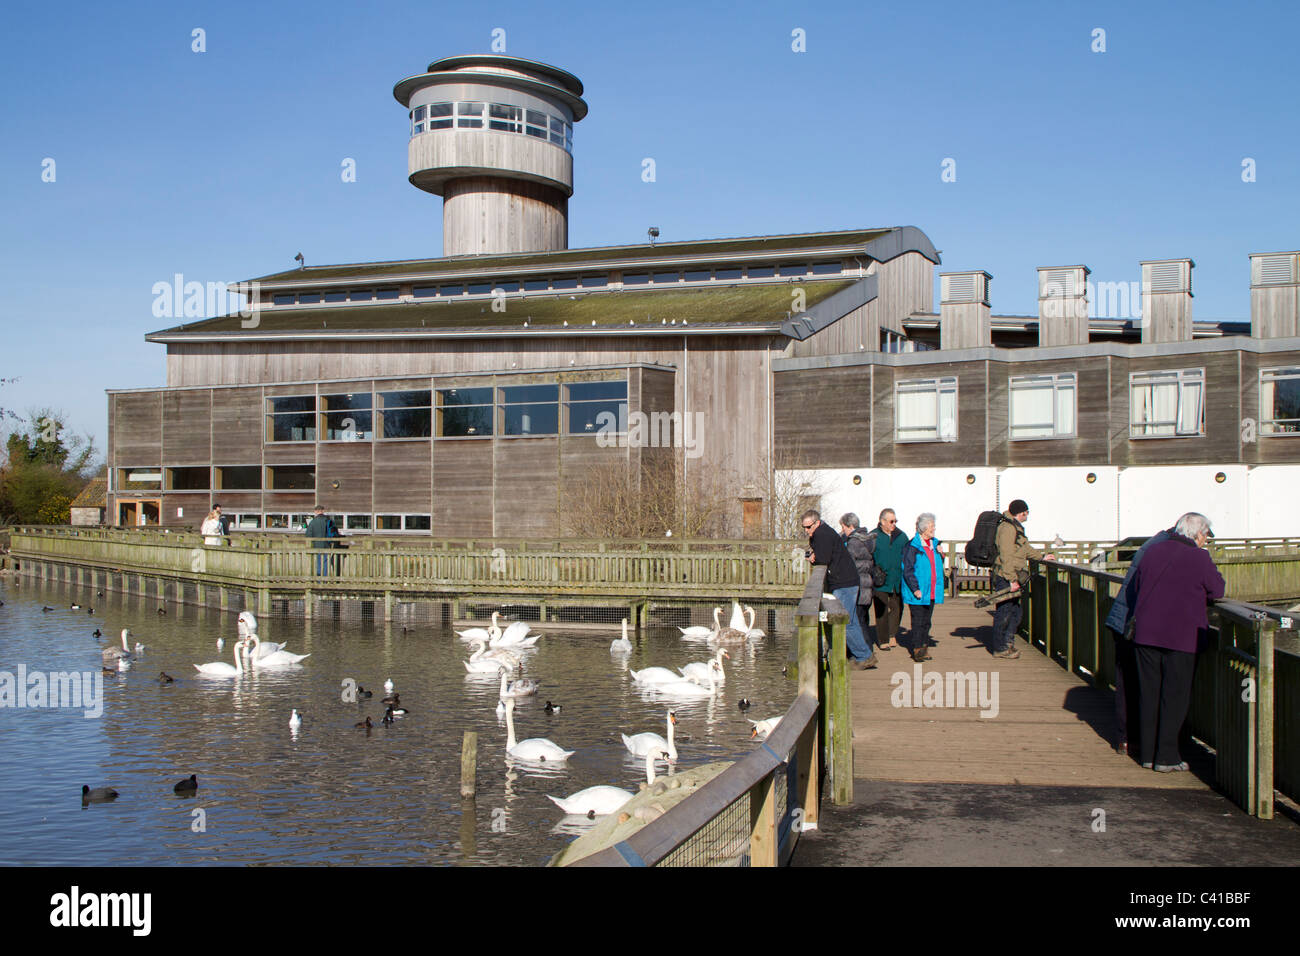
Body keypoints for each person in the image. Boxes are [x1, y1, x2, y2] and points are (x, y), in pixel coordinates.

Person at [1129, 513, 1224, 772]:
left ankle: (1148, 754)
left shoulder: (1153, 551)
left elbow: (1137, 584)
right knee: (1175, 696)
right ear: (1198, 534)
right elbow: (1218, 590)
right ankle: (1167, 757)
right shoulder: (1199, 557)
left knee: (1149, 694)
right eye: (1206, 536)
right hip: (1181, 636)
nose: (1206, 542)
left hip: (1146, 634)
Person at [1104, 525, 1175, 756]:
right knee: (1138, 682)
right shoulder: (1164, 549)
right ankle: (1136, 739)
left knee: (1126, 681)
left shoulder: (1153, 544)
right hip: (1133, 624)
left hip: (1122, 619)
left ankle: (1125, 739)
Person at [803, 509, 876, 669]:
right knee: (852, 621)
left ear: (817, 522)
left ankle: (863, 655)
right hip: (847, 581)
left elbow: (823, 558)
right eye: (804, 528)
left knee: (846, 622)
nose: (807, 531)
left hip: (844, 583)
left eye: (809, 527)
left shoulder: (822, 534)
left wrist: (813, 559)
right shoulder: (824, 532)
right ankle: (863, 655)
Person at [989, 498, 1055, 660]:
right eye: (1026, 512)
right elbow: (1006, 555)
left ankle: (1007, 644)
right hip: (1007, 576)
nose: (1027, 515)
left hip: (1013, 575)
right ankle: (1000, 648)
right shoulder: (1007, 528)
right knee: (1004, 612)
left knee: (1015, 612)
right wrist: (1011, 580)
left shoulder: (1015, 527)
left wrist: (1042, 557)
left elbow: (1024, 548)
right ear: (1021, 512)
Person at [901, 513, 945, 663]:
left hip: (931, 590)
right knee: (918, 621)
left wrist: (941, 554)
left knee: (927, 621)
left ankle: (924, 647)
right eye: (931, 526)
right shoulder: (912, 546)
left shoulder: (934, 544)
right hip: (918, 592)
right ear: (923, 528)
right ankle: (918, 649)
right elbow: (907, 569)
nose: (934, 528)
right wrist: (915, 588)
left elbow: (936, 566)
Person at [839, 513, 877, 659]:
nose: (843, 531)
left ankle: (865, 655)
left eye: (843, 527)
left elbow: (848, 564)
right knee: (863, 619)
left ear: (850, 526)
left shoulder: (853, 542)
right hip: (867, 583)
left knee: (858, 621)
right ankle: (866, 650)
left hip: (858, 585)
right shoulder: (868, 540)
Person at [869, 509, 907, 651]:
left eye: (895, 521)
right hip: (879, 579)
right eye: (891, 521)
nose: (894, 524)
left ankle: (892, 634)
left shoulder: (901, 536)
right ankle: (883, 639)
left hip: (897, 578)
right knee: (881, 610)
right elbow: (867, 555)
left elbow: (909, 554)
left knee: (897, 608)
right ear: (882, 521)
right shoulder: (873, 536)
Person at [304, 505, 339, 576]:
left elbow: (308, 534)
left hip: (317, 545)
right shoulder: (329, 520)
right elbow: (335, 531)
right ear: (323, 511)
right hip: (327, 544)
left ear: (316, 511)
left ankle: (319, 579)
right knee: (325, 561)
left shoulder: (313, 522)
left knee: (319, 562)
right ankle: (325, 578)